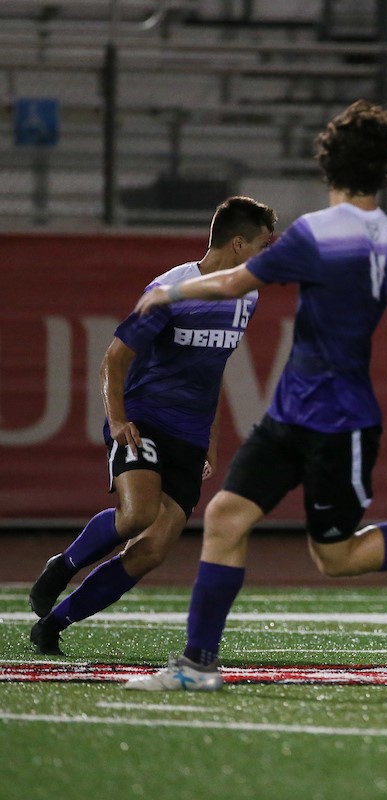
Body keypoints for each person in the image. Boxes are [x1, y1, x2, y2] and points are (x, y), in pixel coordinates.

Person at [123, 100, 387, 692]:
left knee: (333, 557)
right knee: (228, 516)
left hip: (333, 424)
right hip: (301, 417)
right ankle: (198, 665)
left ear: (329, 166)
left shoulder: (314, 232)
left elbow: (234, 280)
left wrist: (168, 295)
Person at [28, 196, 277, 656]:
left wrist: (211, 441)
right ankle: (62, 566)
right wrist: (118, 418)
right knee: (139, 515)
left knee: (152, 551)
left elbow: (213, 369)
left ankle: (54, 624)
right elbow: (115, 359)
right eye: (265, 243)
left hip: (190, 432)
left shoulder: (249, 297)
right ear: (239, 243)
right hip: (144, 418)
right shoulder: (170, 290)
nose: (271, 252)